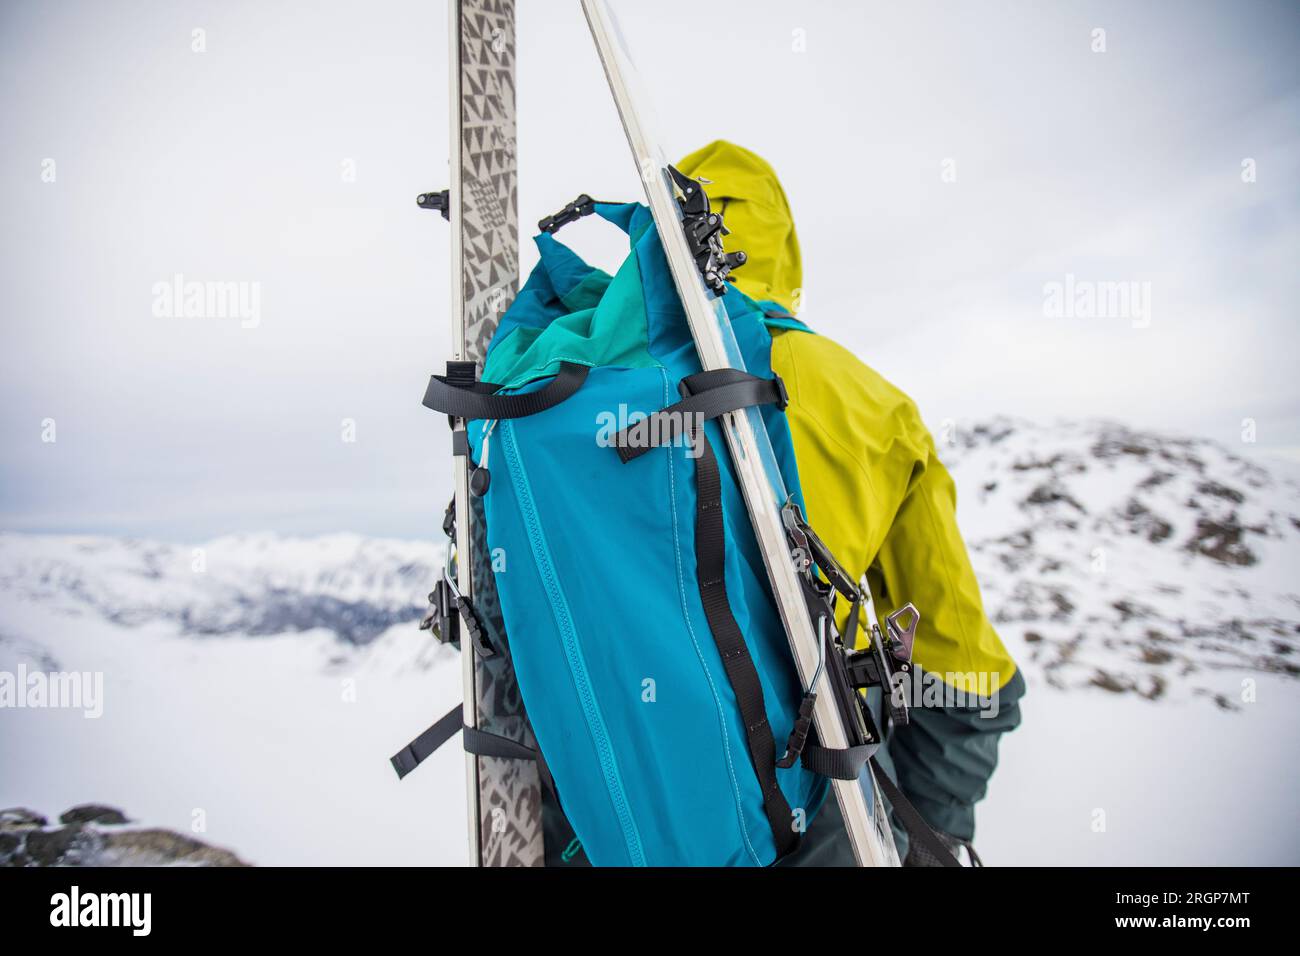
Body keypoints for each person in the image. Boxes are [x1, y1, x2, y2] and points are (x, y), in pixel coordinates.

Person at [674, 140, 1027, 866]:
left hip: (608, 798)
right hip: (818, 804)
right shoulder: (866, 400)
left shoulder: (568, 394)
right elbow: (961, 668)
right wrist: (929, 832)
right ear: (784, 254)